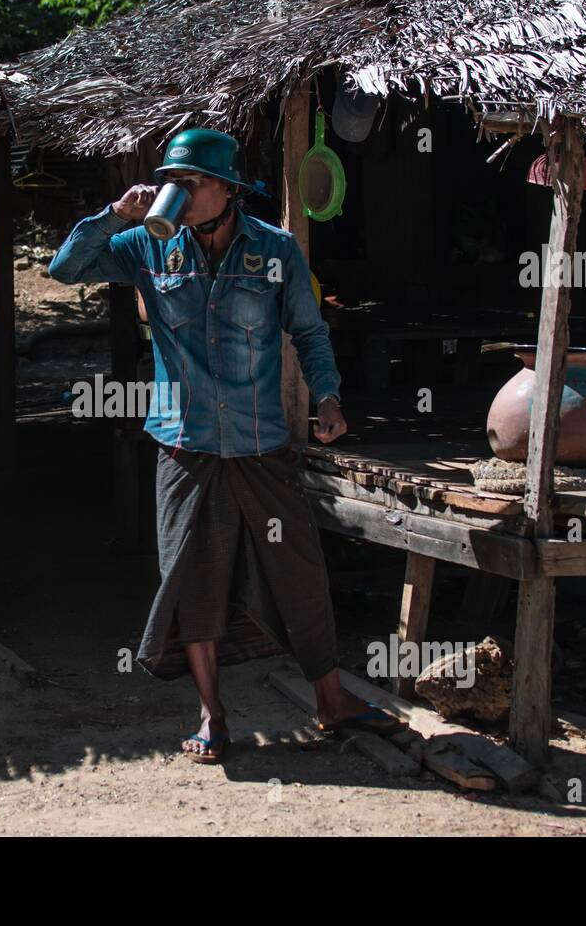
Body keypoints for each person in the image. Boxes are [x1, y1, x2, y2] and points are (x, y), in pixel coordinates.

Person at [49, 128, 379, 763]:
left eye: (189, 183)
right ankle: (212, 712)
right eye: (170, 181)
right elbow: (65, 269)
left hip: (260, 443)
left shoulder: (276, 249)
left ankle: (331, 698)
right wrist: (118, 214)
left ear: (227, 190)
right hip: (184, 444)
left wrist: (328, 398)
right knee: (189, 576)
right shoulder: (145, 245)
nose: (177, 193)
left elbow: (309, 333)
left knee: (299, 570)